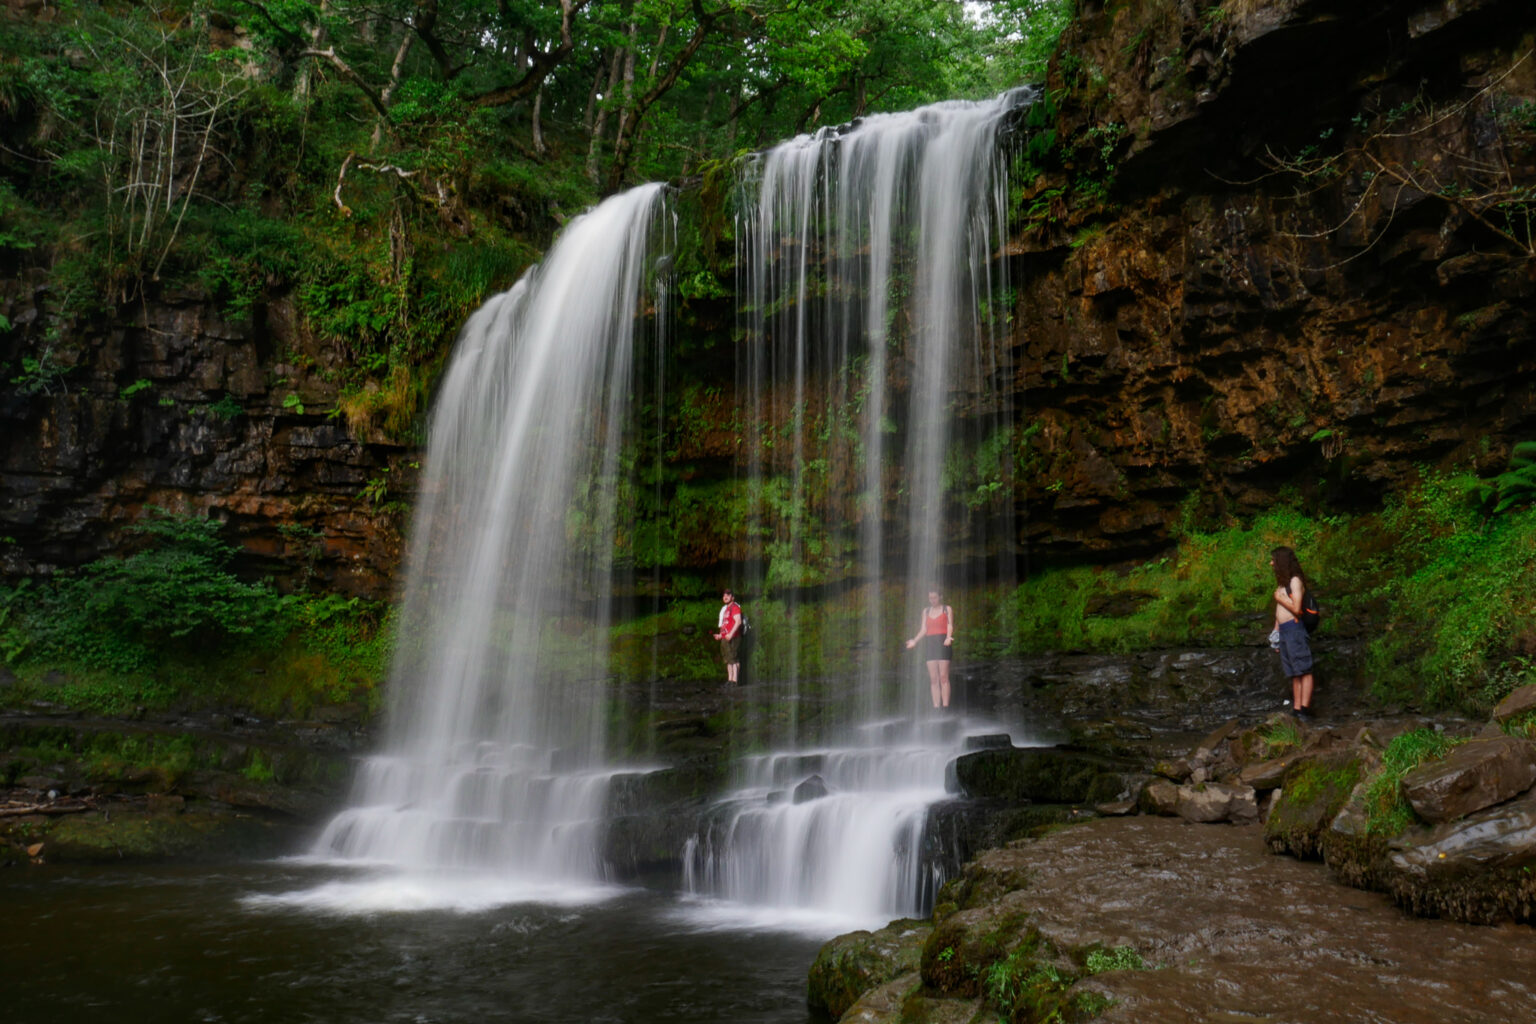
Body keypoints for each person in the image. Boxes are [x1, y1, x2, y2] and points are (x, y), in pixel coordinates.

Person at [1270, 546, 1316, 720]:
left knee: (1304, 669)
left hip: (1295, 630)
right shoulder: (1283, 582)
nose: (1271, 563)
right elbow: (1279, 611)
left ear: (1281, 561)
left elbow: (1297, 609)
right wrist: (1276, 634)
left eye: (1274, 559)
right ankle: (1296, 709)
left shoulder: (1295, 581)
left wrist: (1280, 598)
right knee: (1294, 672)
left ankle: (1304, 709)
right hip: (1284, 631)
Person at [905, 589, 954, 708]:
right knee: (933, 678)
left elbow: (949, 624)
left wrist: (948, 637)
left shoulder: (946, 609)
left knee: (943, 677)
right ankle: (936, 706)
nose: (932, 600)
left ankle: (946, 706)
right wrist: (914, 641)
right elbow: (924, 629)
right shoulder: (926, 611)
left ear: (940, 597)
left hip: (943, 642)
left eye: (934, 598)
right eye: (930, 598)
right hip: (930, 644)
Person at [713, 588, 743, 684]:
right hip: (726, 637)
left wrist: (730, 634)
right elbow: (725, 625)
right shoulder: (725, 610)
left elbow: (738, 621)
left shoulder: (735, 607)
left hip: (733, 637)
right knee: (728, 659)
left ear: (732, 598)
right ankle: (730, 679)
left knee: (733, 658)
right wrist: (720, 635)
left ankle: (734, 681)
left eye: (728, 595)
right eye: (724, 595)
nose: (725, 597)